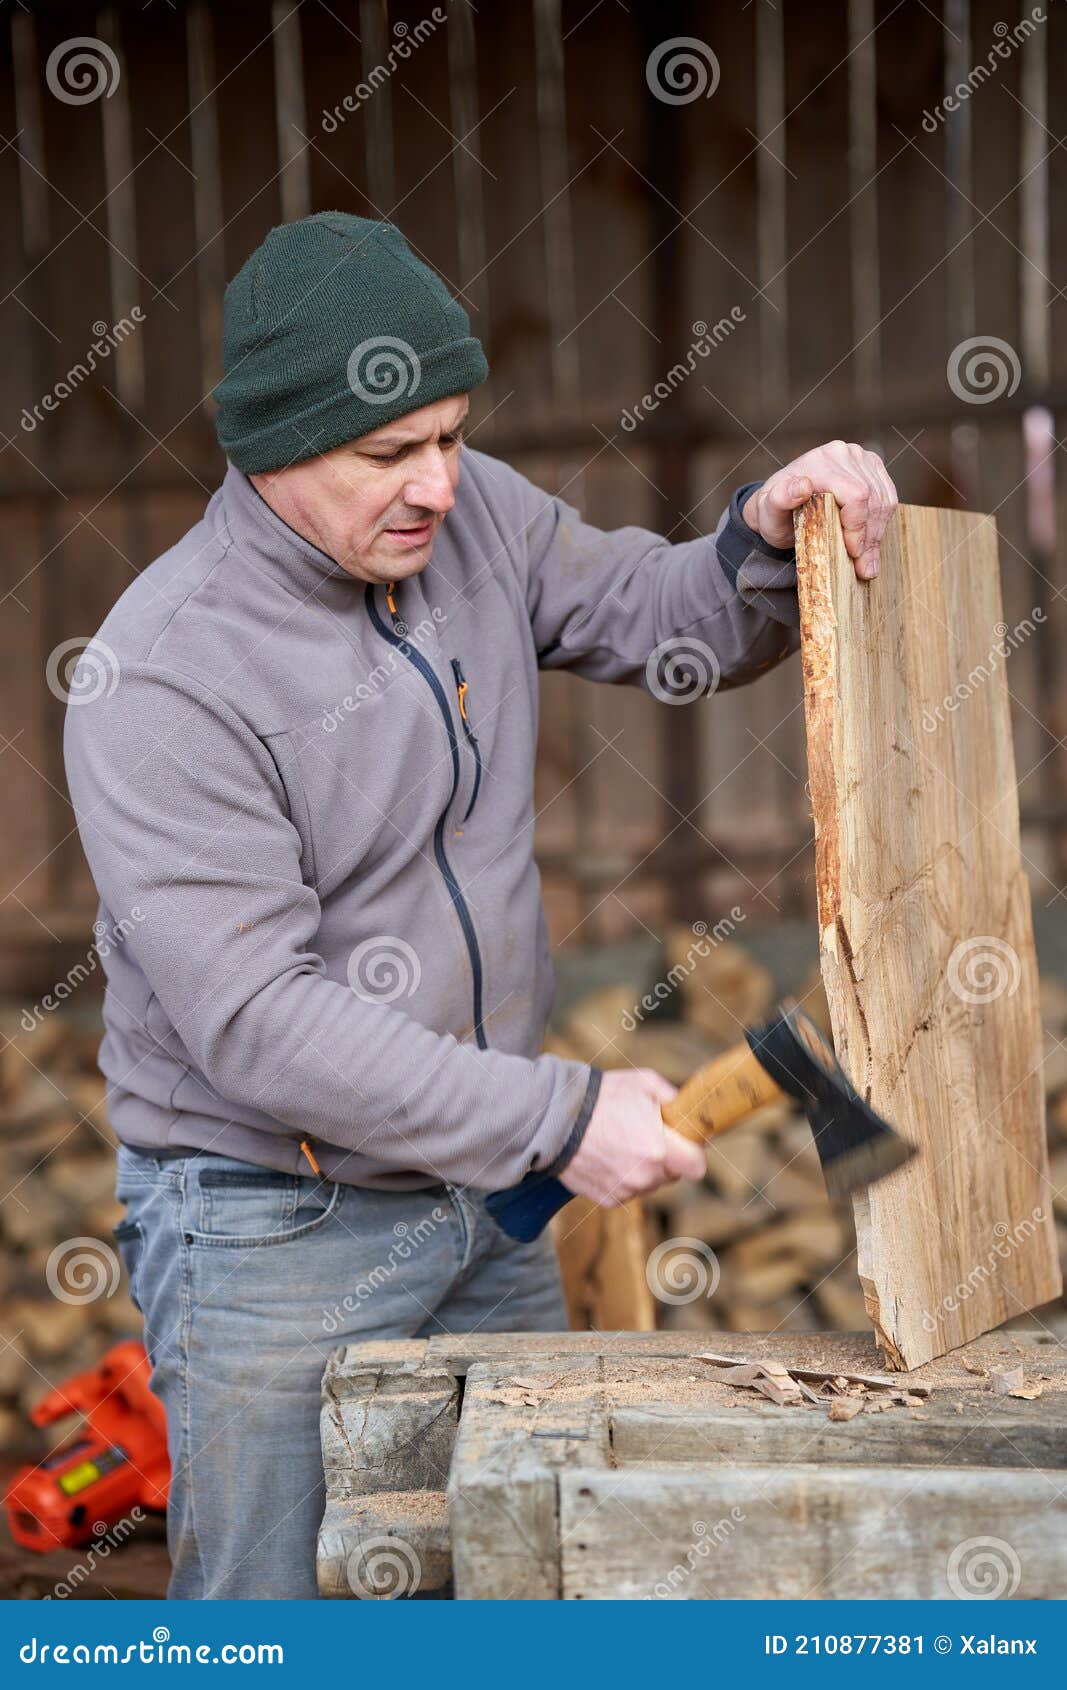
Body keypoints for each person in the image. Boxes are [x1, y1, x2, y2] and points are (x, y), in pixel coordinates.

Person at [63, 212, 897, 1597]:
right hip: (275, 1227)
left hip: (485, 1198)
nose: (440, 485)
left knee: (511, 1579)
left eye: (452, 435)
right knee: (275, 1624)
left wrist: (759, 539)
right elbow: (262, 1026)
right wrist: (562, 1118)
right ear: (267, 448)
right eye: (390, 453)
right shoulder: (164, 674)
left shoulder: (475, 520)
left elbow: (654, 609)